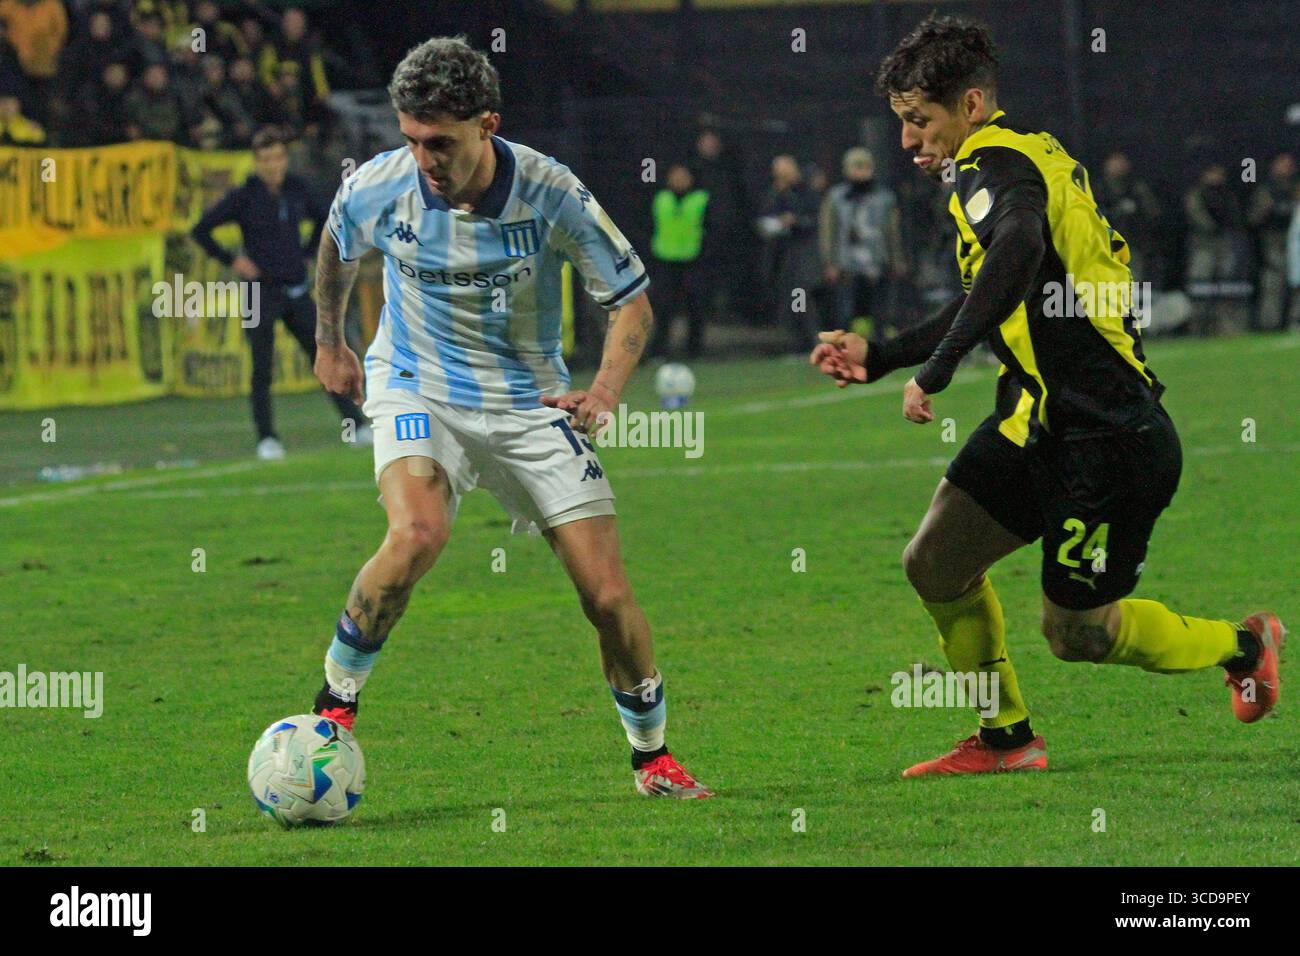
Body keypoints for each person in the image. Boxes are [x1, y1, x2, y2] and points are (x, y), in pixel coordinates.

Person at [811, 14, 1283, 777]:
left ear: (968, 107)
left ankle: (1247, 646)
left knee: (1078, 635)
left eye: (918, 121)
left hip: (1108, 435)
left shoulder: (988, 164)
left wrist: (937, 371)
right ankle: (1006, 741)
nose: (908, 142)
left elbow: (1020, 251)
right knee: (934, 562)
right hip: (1037, 419)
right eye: (901, 123)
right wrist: (888, 354)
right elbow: (996, 282)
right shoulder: (1018, 154)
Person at [309, 36, 712, 798]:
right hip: (415, 386)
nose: (424, 157)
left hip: (530, 403)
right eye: (411, 139)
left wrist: (603, 393)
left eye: (441, 142)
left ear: (487, 124)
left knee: (606, 596)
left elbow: (631, 302)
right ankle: (333, 709)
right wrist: (331, 342)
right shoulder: (378, 185)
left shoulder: (553, 192)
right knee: (416, 534)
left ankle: (652, 756)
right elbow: (335, 245)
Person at [190, 126, 369, 460]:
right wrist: (233, 260)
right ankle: (267, 438)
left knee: (325, 357)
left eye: (277, 158)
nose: (272, 165)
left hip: (296, 287)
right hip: (260, 293)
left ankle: (356, 425)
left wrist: (308, 251)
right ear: (256, 162)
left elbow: (327, 218)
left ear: (285, 159)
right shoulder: (244, 196)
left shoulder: (297, 189)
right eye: (265, 159)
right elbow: (200, 230)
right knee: (261, 368)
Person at [818, 147, 905, 339]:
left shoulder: (884, 198)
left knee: (880, 312)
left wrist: (896, 260)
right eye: (856, 167)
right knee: (846, 312)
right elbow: (828, 231)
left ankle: (879, 349)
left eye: (865, 167)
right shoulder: (836, 197)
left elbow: (891, 232)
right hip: (846, 263)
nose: (861, 171)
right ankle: (845, 349)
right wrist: (830, 262)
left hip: (877, 261)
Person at [756, 154, 821, 352]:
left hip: (802, 254)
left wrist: (795, 220)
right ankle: (797, 343)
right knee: (790, 300)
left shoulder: (807, 191)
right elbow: (764, 216)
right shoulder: (774, 193)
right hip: (781, 256)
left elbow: (815, 219)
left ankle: (811, 341)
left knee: (800, 296)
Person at [647, 162, 710, 358]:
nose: (679, 180)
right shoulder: (661, 198)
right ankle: (659, 351)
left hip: (693, 261)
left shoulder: (701, 199)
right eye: (675, 176)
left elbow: (712, 228)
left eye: (683, 176)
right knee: (663, 309)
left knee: (695, 308)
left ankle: (695, 351)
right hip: (665, 261)